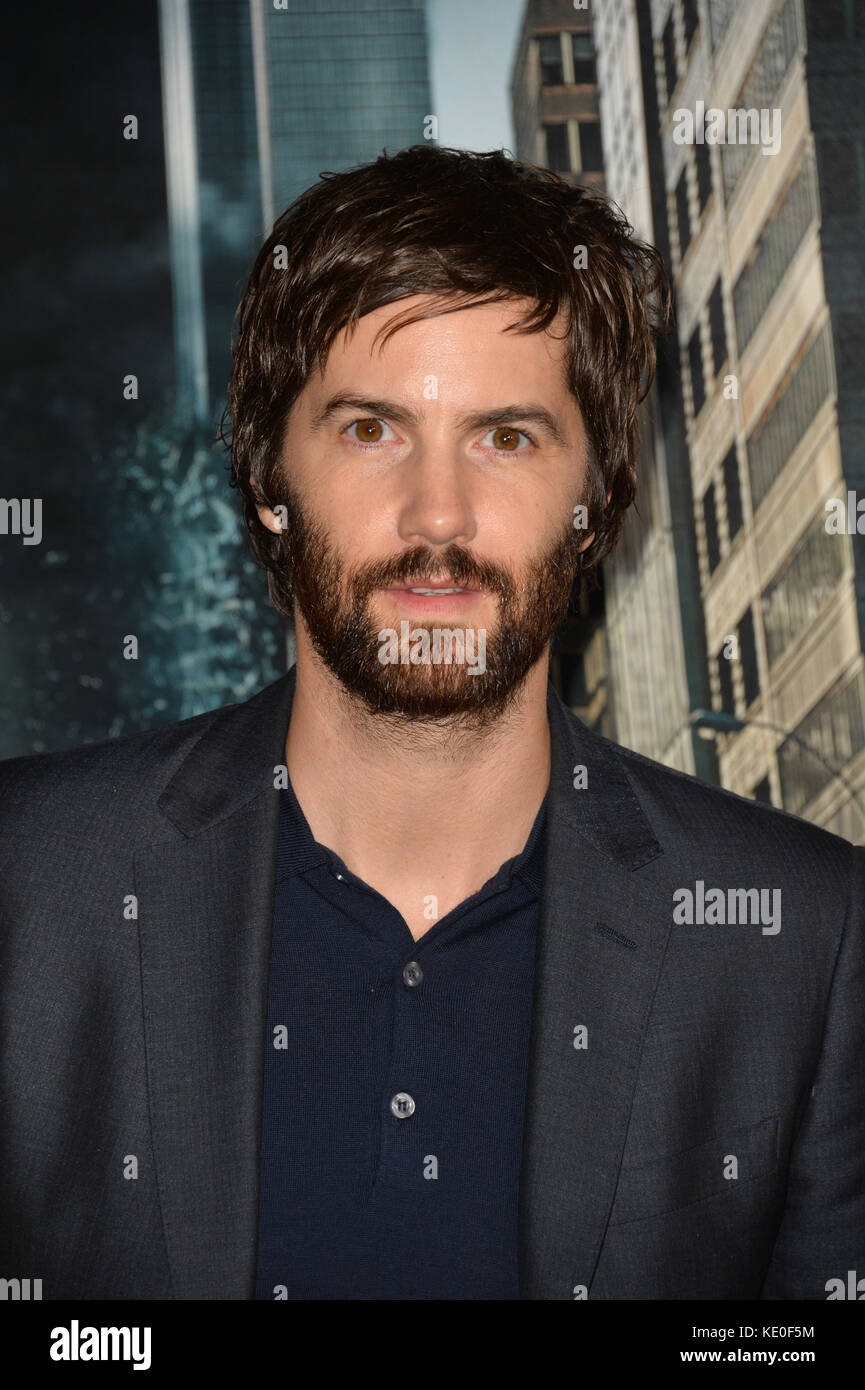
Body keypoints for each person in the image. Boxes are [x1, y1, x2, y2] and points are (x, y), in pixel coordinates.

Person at [1, 145, 862, 1301]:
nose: (438, 512)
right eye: (371, 430)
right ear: (268, 473)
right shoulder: (29, 886)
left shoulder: (802, 941)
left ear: (594, 503)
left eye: (506, 437)